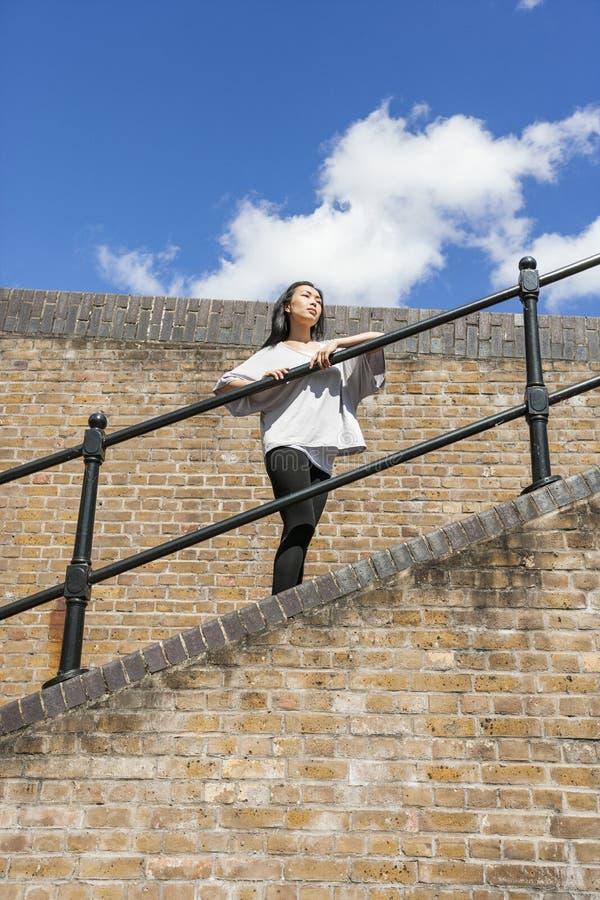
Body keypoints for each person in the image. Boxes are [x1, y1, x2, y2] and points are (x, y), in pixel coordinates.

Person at [214, 281, 385, 595]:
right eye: (306, 296)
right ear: (288, 307)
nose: (314, 302)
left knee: (303, 532)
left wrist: (337, 345)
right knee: (300, 521)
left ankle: (289, 605)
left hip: (323, 451)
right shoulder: (273, 353)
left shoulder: (333, 351)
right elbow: (224, 387)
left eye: (318, 299)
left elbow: (379, 340)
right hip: (286, 444)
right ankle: (279, 607)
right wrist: (261, 380)